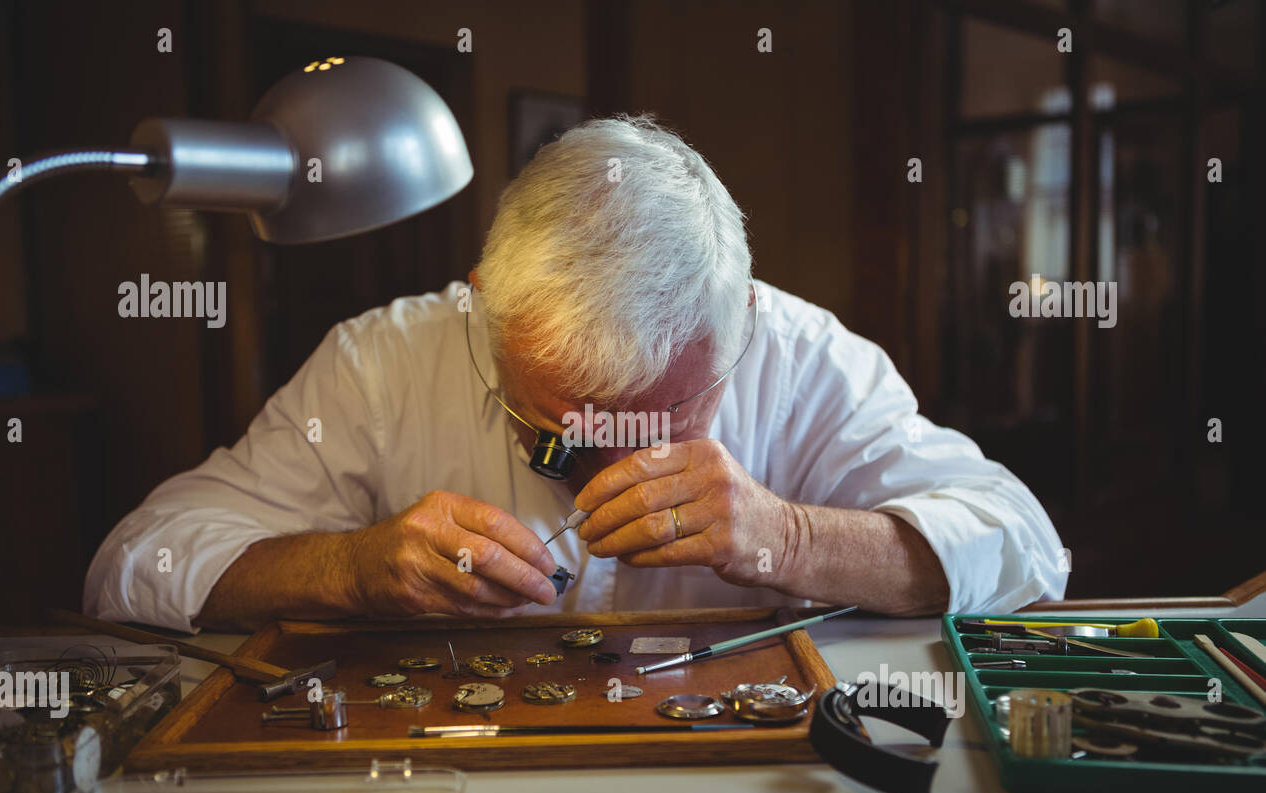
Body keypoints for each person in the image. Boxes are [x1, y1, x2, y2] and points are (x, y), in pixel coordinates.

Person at [84, 115, 1066, 632]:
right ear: (480, 305)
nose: (598, 461)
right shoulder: (381, 361)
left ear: (745, 319)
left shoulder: (803, 353)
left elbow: (1027, 549)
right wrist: (350, 567)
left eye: (656, 417)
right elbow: (137, 563)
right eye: (553, 419)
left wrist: (791, 536)